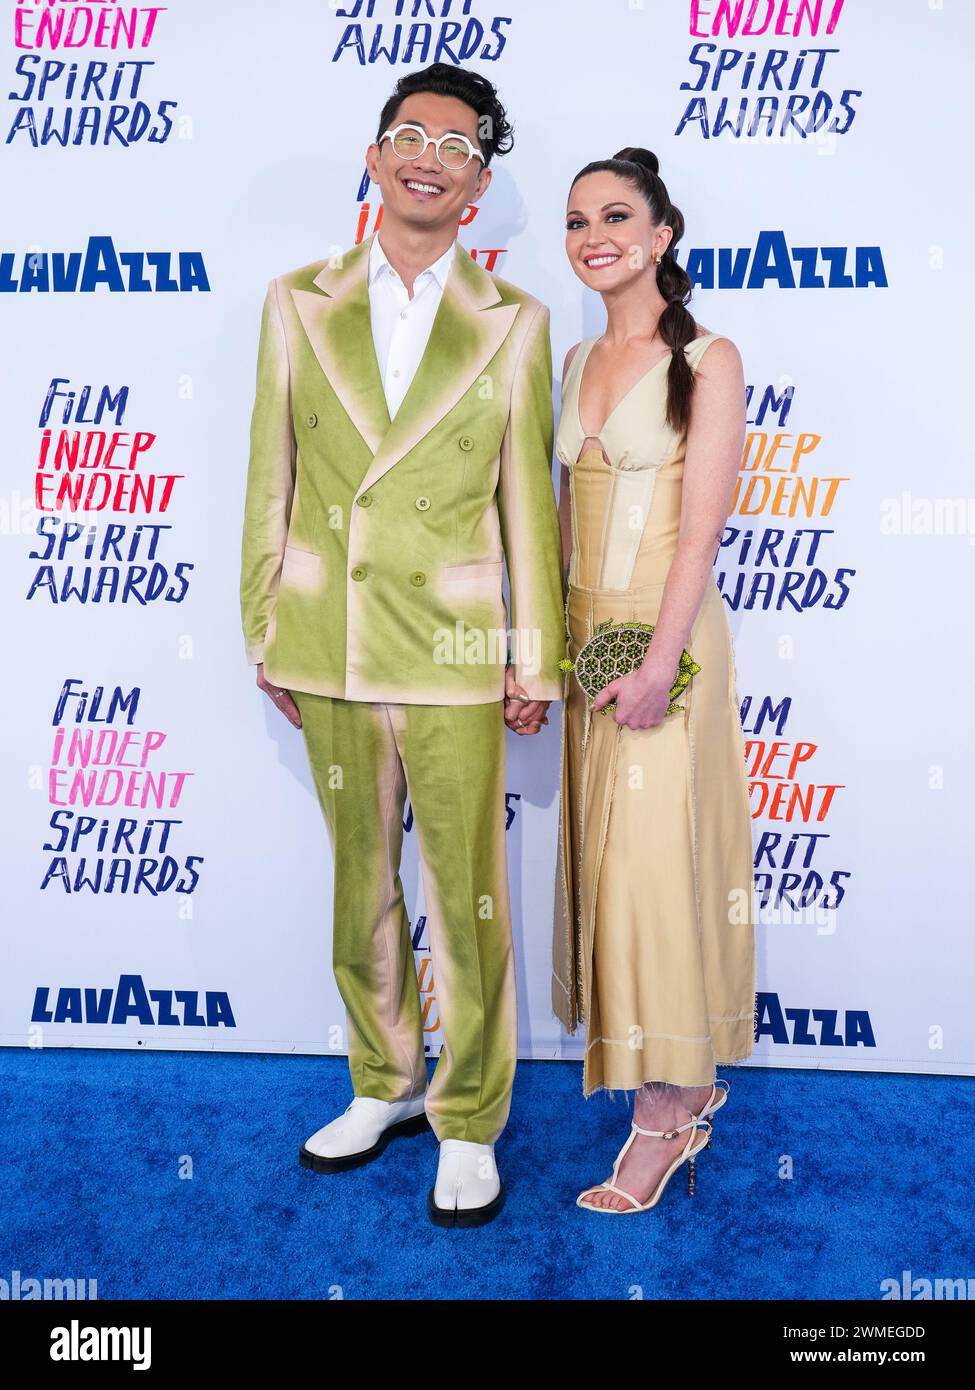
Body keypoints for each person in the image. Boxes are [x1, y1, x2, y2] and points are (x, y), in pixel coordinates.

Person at [239, 63, 565, 1227]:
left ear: (478, 183)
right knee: (360, 882)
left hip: (461, 648)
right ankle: (384, 1082)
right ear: (375, 157)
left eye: (458, 145)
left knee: (468, 893)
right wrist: (265, 623)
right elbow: (266, 475)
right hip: (329, 642)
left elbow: (531, 500)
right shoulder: (294, 299)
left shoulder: (515, 322)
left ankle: (467, 1116)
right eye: (410, 135)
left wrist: (535, 657)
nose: (431, 155)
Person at [551, 147, 756, 1214]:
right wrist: (545, 650)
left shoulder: (709, 358)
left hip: (663, 646)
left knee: (660, 868)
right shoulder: (574, 361)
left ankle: (672, 1114)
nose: (595, 235)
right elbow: (554, 521)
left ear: (662, 234)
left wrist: (657, 663)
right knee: (615, 872)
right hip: (589, 645)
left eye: (618, 215)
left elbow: (699, 537)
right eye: (578, 220)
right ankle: (669, 1078)